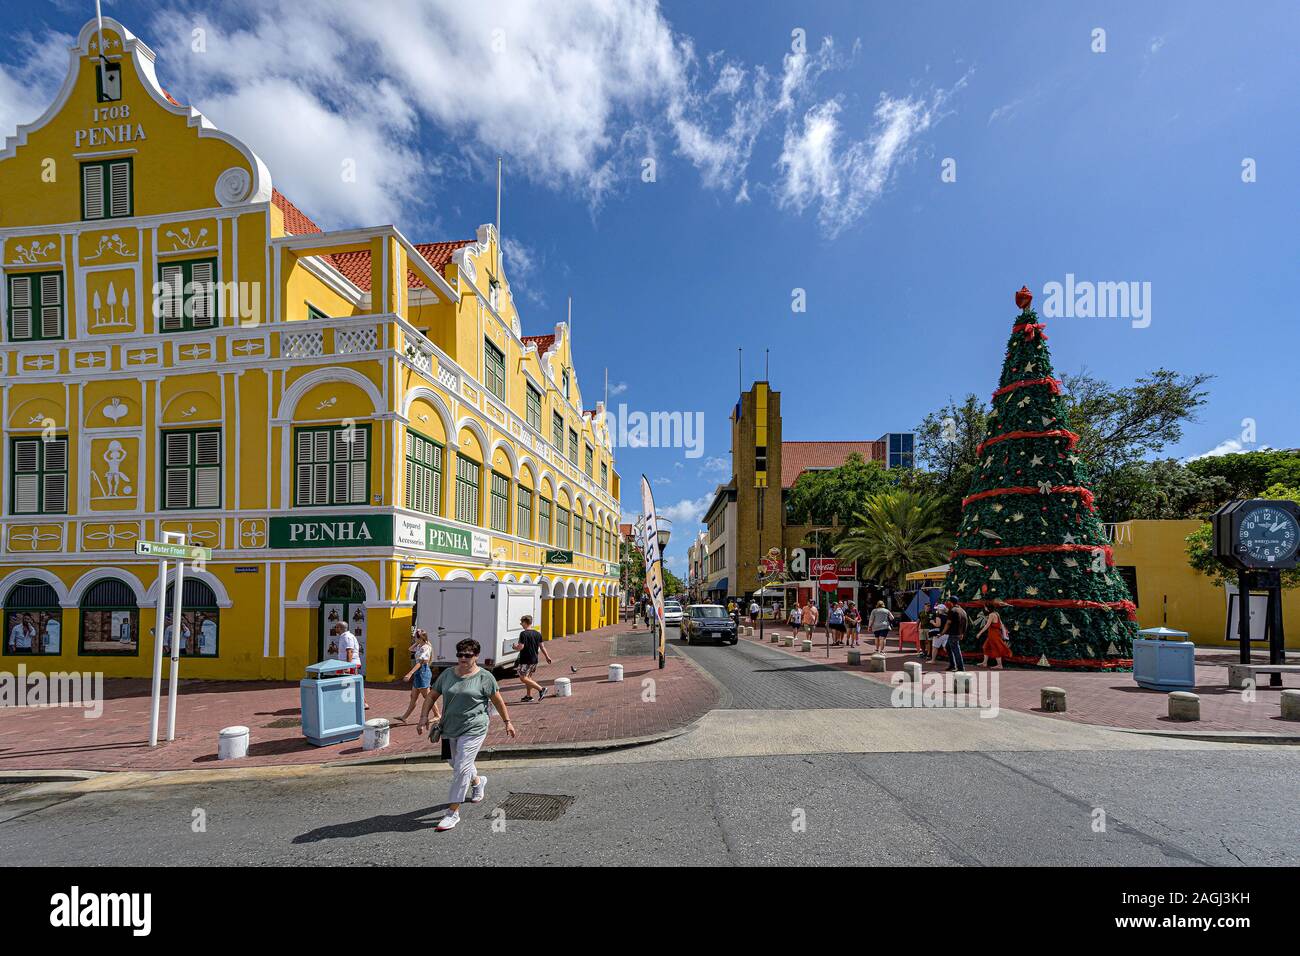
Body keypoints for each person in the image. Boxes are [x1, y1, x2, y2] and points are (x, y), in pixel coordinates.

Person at [419, 638, 517, 832]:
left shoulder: (485, 677)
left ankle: (452, 812)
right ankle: (478, 782)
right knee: (454, 762)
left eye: (468, 655)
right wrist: (423, 716)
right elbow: (432, 695)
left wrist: (508, 722)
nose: (463, 658)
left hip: (474, 727)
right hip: (448, 727)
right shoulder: (447, 674)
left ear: (476, 656)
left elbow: (497, 701)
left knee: (462, 767)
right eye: (460, 654)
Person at [397, 629, 438, 724]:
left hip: (423, 672)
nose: (413, 638)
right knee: (413, 696)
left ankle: (437, 715)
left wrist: (410, 673)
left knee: (427, 696)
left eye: (415, 637)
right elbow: (410, 649)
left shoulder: (425, 648)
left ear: (421, 638)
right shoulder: (420, 646)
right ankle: (404, 717)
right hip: (418, 673)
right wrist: (417, 642)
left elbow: (420, 663)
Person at [513, 614, 553, 702]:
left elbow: (521, 647)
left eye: (521, 622)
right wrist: (547, 657)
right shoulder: (537, 634)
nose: (521, 624)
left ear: (526, 622)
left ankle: (541, 689)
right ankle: (529, 696)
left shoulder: (523, 634)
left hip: (526, 660)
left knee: (523, 678)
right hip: (534, 660)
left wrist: (514, 647)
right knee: (528, 678)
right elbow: (542, 647)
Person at [941, 600, 968, 672]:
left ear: (951, 602)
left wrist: (942, 633)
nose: (947, 603)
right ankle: (952, 665)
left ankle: (960, 668)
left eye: (948, 601)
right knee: (948, 647)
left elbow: (948, 623)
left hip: (953, 634)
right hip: (958, 634)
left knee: (956, 650)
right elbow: (965, 622)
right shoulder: (962, 610)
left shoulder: (952, 610)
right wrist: (962, 633)